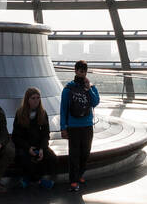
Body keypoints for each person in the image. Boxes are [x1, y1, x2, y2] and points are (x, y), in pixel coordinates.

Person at [59, 61, 100, 192]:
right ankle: (73, 180)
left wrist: (89, 89)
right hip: (74, 126)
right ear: (75, 71)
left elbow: (95, 102)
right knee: (74, 154)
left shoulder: (91, 87)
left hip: (87, 125)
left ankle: (79, 175)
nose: (82, 72)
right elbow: (63, 109)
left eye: (84, 70)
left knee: (85, 153)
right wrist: (63, 127)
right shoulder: (68, 88)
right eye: (80, 70)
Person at [13, 87, 57, 189]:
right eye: (33, 98)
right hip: (25, 146)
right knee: (25, 158)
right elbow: (16, 136)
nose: (36, 101)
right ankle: (38, 180)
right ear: (27, 99)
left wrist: (42, 148)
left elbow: (46, 134)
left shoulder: (42, 113)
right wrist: (28, 148)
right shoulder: (20, 113)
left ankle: (33, 179)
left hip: (38, 145)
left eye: (38, 98)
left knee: (52, 158)